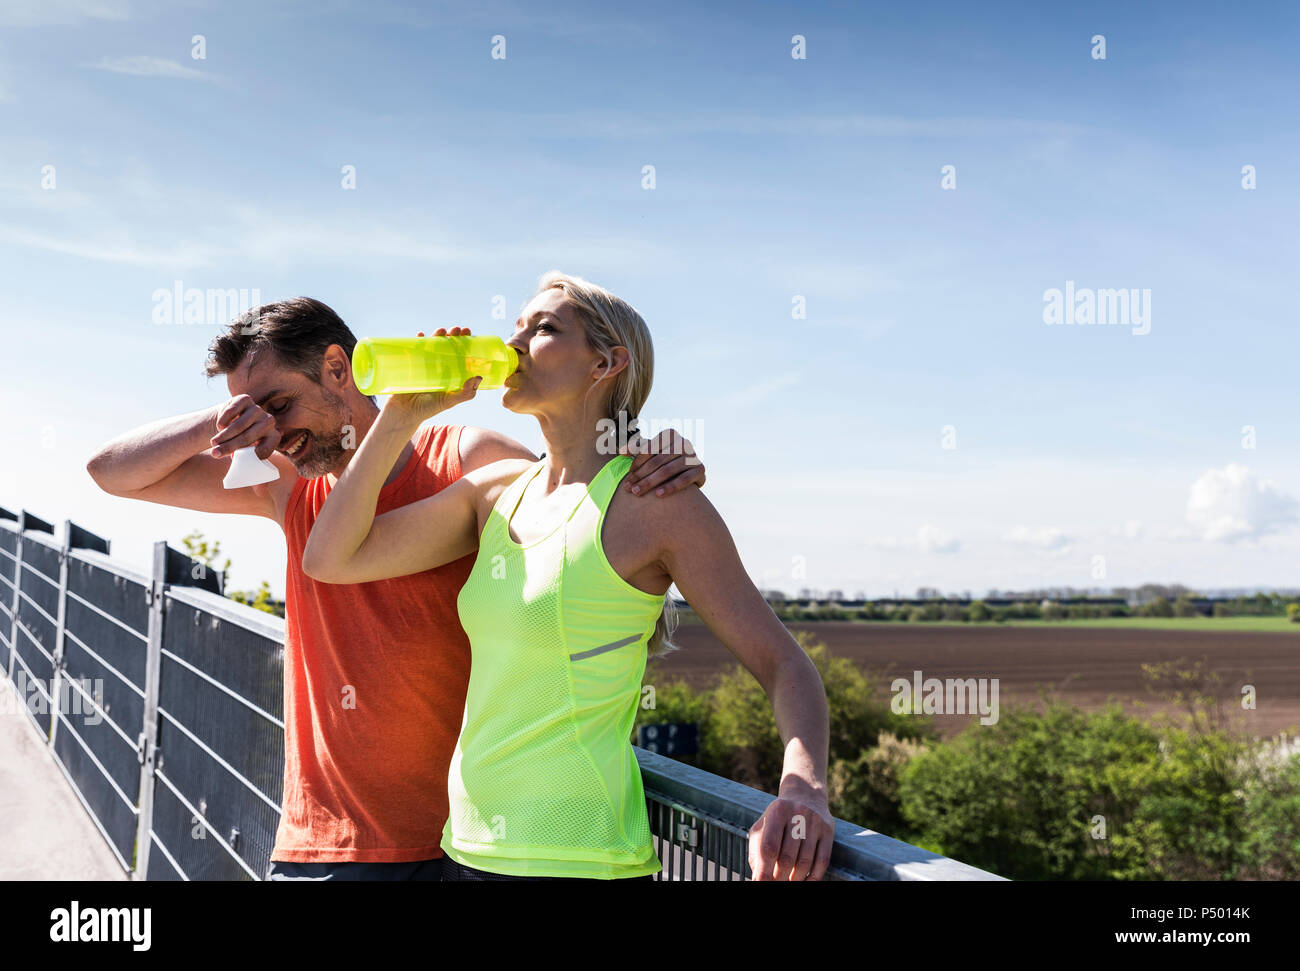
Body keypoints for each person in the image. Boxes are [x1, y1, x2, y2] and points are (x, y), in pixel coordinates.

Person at [85, 297, 705, 881]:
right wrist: (219, 423)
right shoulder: (284, 481)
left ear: (337, 368)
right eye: (252, 413)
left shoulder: (471, 459)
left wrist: (646, 453)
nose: (270, 430)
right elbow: (112, 473)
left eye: (277, 405)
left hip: (472, 841)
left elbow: (575, 505)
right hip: (329, 839)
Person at [302, 272, 834, 881]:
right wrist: (400, 415)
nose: (516, 342)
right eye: (517, 327)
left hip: (578, 859)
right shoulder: (495, 492)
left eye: (545, 328)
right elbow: (332, 559)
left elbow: (783, 663)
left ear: (607, 362)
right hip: (468, 846)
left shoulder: (656, 500)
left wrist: (804, 788)